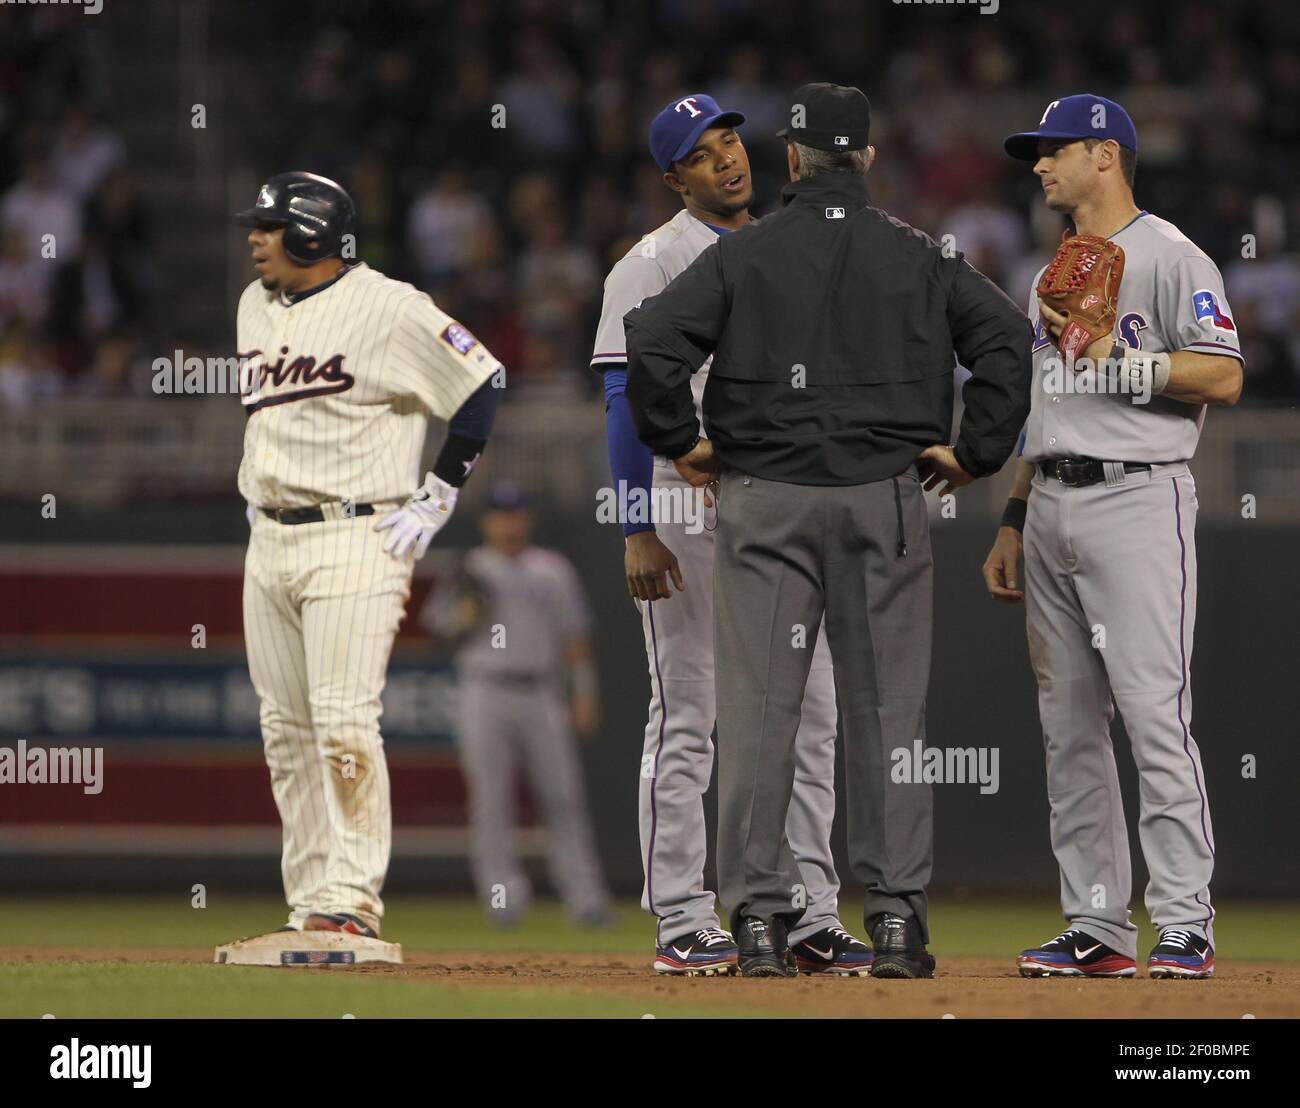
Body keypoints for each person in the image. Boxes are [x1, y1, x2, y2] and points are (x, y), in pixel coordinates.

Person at [625, 84, 1031, 977]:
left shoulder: (744, 252)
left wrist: (683, 443)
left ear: (793, 159)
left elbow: (650, 342)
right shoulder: (920, 255)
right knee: (887, 720)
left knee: (759, 715)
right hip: (883, 500)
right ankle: (893, 922)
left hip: (764, 502)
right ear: (870, 160)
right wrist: (975, 453)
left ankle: (761, 924)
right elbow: (1009, 340)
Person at [592, 93, 871, 976]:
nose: (728, 160)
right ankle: (681, 911)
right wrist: (639, 527)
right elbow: (622, 399)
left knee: (813, 711)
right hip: (684, 497)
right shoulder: (650, 263)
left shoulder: (786, 246)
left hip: (784, 498)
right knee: (690, 715)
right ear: (673, 178)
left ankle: (809, 910)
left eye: (731, 142)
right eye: (703, 153)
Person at [984, 95, 1243, 980]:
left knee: (1154, 717)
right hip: (1052, 494)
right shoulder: (1049, 275)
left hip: (1139, 499)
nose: (1040, 165)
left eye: (1055, 150)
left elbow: (1226, 374)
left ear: (1106, 153)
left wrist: (1121, 360)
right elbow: (1043, 408)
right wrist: (1015, 513)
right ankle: (1096, 923)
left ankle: (1183, 922)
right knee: (1068, 728)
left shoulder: (1173, 255)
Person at [233, 171, 501, 943]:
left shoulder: (390, 306)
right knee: (285, 730)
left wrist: (440, 491)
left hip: (358, 534)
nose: (254, 238)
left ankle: (350, 902)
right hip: (269, 534)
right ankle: (310, 900)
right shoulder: (255, 305)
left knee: (345, 724)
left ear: (313, 232)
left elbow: (483, 381)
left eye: (269, 225)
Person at [421, 482, 611, 926]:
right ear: (487, 519)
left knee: (564, 798)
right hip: (483, 689)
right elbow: (437, 630)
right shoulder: (469, 568)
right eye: (500, 513)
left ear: (527, 518)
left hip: (540, 691)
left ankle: (586, 901)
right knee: (491, 802)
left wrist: (584, 691)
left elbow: (575, 639)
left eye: (516, 512)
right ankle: (503, 902)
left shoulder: (552, 570)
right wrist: (459, 617)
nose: (509, 521)